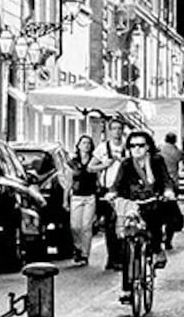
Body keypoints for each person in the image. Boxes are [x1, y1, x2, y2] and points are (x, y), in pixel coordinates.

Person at [109, 130, 173, 303]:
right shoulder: (126, 164)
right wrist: (112, 193)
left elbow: (166, 179)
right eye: (132, 145)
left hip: (152, 201)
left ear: (148, 147)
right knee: (125, 243)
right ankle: (126, 289)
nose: (136, 149)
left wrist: (167, 191)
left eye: (140, 145)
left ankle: (158, 250)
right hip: (132, 205)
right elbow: (117, 183)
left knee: (155, 222)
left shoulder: (157, 161)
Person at [89, 116, 127, 270]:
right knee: (110, 226)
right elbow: (91, 167)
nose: (117, 132)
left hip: (123, 190)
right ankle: (113, 258)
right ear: (110, 131)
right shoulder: (103, 148)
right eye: (114, 129)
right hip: (107, 189)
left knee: (122, 223)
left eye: (119, 128)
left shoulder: (128, 147)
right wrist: (104, 165)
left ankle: (122, 256)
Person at [67, 135, 99, 265]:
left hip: (90, 196)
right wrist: (65, 199)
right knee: (75, 226)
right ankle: (77, 247)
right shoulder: (73, 162)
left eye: (88, 143)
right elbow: (68, 182)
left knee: (86, 226)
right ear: (78, 145)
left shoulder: (94, 161)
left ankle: (85, 253)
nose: (86, 145)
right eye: (84, 143)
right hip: (76, 196)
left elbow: (99, 178)